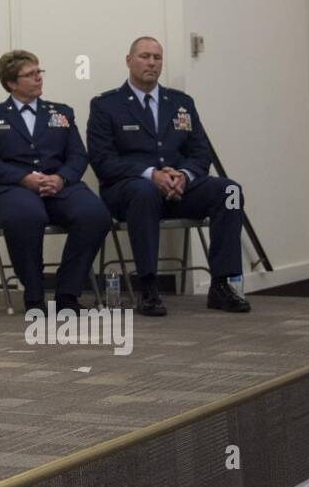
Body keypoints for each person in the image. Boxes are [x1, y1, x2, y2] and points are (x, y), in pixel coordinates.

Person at [86, 36, 251, 316]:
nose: (152, 63)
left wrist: (184, 175)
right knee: (144, 191)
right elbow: (103, 161)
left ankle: (223, 283)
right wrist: (151, 175)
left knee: (230, 192)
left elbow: (200, 153)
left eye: (157, 58)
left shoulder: (180, 102)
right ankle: (148, 287)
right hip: (128, 192)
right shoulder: (106, 105)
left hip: (179, 189)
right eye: (145, 56)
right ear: (129, 60)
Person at [0, 50, 110, 313]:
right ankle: (34, 296)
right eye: (30, 74)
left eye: (40, 72)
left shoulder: (61, 113)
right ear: (11, 83)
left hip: (59, 186)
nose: (39, 78)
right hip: (10, 189)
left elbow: (78, 156)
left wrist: (61, 178)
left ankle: (67, 293)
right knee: (27, 215)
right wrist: (23, 178)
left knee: (95, 215)